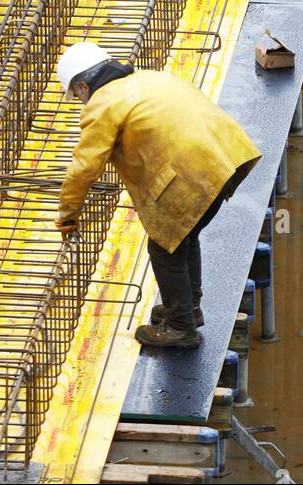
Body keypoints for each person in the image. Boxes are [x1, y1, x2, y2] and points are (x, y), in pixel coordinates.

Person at [55, 42, 261, 349]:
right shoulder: (149, 78)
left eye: (77, 94)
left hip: (195, 171)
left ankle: (181, 327)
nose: (81, 101)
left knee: (165, 248)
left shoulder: (103, 104)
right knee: (184, 236)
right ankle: (188, 308)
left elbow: (84, 168)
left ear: (84, 85)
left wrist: (68, 215)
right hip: (225, 158)